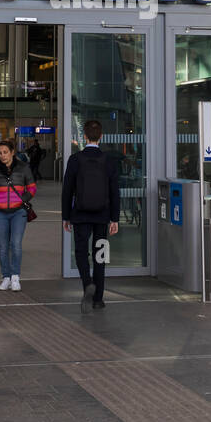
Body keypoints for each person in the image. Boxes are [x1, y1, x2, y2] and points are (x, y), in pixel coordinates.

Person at [61, 119, 120, 313]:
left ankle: (88, 284)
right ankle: (98, 299)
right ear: (101, 136)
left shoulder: (75, 160)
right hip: (102, 216)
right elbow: (114, 191)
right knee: (99, 255)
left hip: (80, 214)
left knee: (80, 252)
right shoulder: (108, 160)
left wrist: (66, 216)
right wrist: (115, 218)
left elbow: (67, 190)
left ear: (84, 136)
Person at [0, 141, 36, 291]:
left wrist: (21, 201)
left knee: (16, 245)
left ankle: (15, 277)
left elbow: (32, 188)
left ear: (12, 152)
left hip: (18, 212)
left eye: (5, 152)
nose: (2, 155)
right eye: (0, 153)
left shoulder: (23, 168)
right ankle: (6, 277)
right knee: (3, 247)